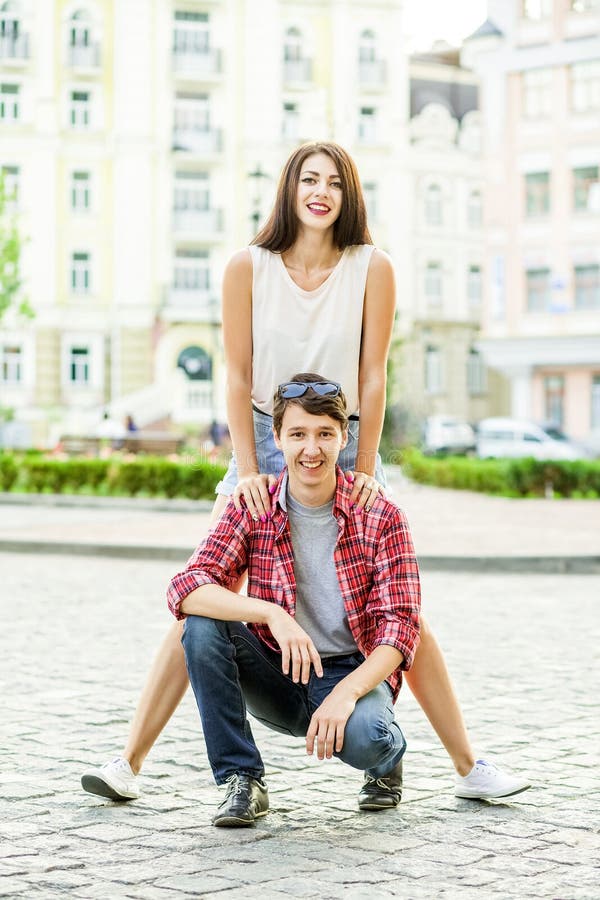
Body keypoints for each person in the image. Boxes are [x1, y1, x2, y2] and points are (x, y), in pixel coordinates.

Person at [81, 141, 530, 804]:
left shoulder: (373, 267)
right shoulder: (248, 267)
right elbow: (237, 377)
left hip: (342, 437)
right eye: (310, 180)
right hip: (266, 435)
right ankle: (129, 762)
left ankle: (468, 767)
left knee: (398, 611)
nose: (321, 192)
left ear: (349, 195)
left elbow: (373, 376)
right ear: (289, 189)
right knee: (205, 598)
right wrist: (247, 472)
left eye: (335, 183)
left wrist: (366, 467)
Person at [169, 375, 421, 825]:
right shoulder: (255, 506)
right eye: (299, 434)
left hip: (348, 670)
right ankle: (242, 779)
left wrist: (347, 693)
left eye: (325, 434)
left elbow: (400, 629)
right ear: (278, 438)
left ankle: (385, 765)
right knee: (201, 627)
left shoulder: (381, 515)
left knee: (373, 739)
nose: (311, 449)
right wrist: (272, 615)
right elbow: (186, 587)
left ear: (344, 437)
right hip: (276, 672)